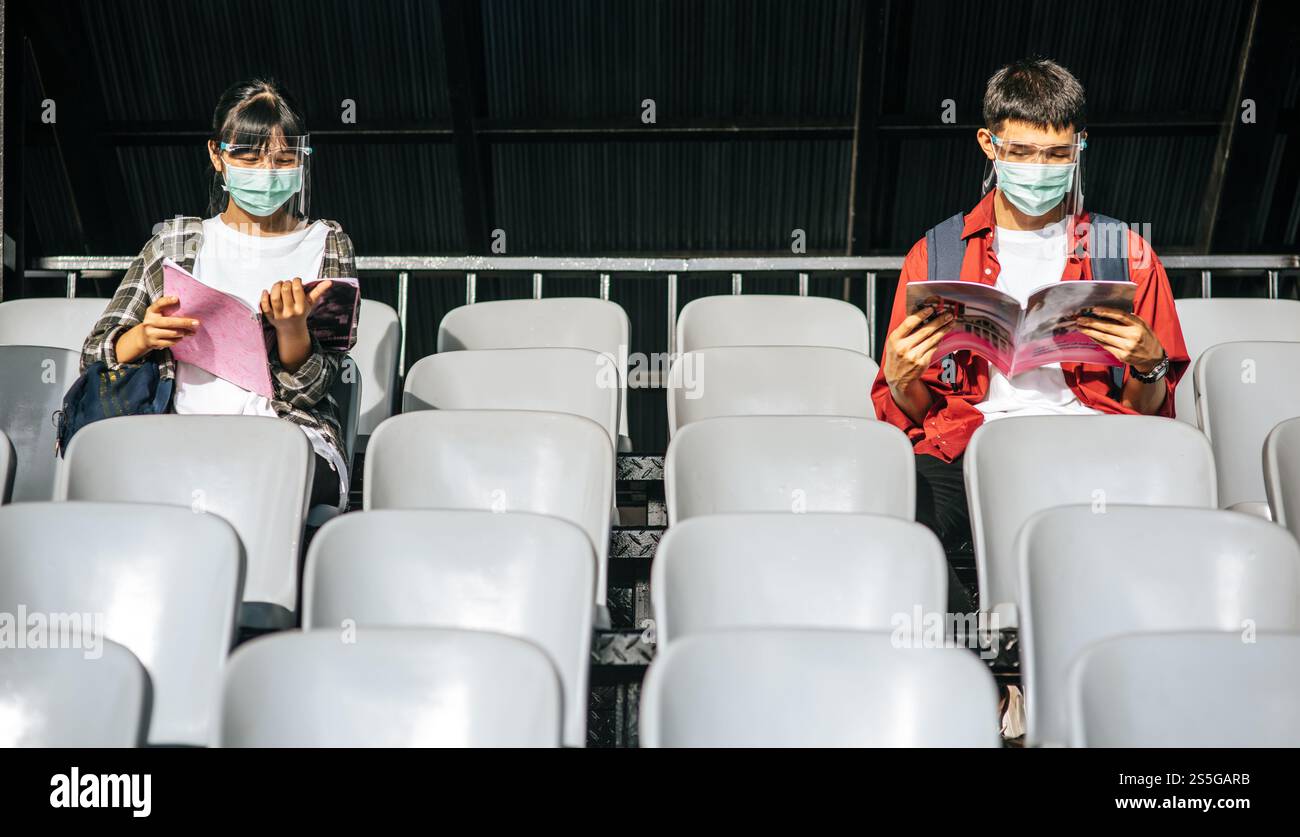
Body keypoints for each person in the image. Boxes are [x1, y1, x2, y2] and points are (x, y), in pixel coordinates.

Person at [872, 58, 1189, 614]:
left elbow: (1149, 413)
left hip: (1094, 447)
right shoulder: (937, 254)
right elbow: (915, 414)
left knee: (1165, 527)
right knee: (900, 516)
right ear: (988, 144)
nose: (1038, 167)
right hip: (972, 449)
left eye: (1056, 154)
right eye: (1020, 152)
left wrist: (1148, 366)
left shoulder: (1127, 255)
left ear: (1080, 147)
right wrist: (901, 383)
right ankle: (989, 664)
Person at [80, 78, 356, 510]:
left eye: (283, 160)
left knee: (254, 478)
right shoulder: (174, 243)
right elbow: (94, 354)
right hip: (178, 433)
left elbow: (315, 388)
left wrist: (291, 331)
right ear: (217, 155)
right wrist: (144, 337)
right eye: (248, 157)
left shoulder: (326, 244)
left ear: (302, 160)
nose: (266, 174)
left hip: (287, 438)